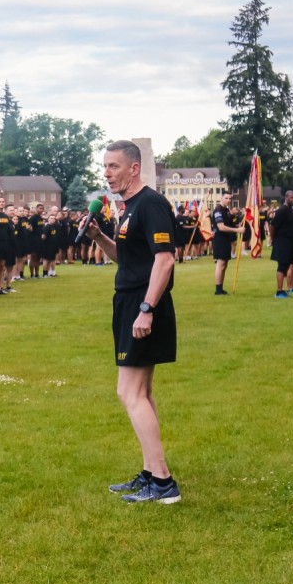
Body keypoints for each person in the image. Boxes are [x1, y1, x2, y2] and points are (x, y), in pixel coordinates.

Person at [86, 140, 180, 504]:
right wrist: (99, 237)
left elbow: (165, 260)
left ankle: (163, 483)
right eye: (105, 167)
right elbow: (126, 258)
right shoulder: (127, 208)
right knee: (141, 393)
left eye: (113, 166)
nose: (107, 173)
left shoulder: (151, 204)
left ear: (134, 168)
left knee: (129, 393)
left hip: (143, 305)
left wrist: (146, 308)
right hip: (130, 301)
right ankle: (151, 472)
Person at [210, 192, 244, 295]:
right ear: (221, 198)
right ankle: (218, 289)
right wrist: (237, 230)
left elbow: (231, 224)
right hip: (220, 239)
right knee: (221, 264)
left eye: (230, 198)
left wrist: (239, 227)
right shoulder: (218, 210)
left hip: (226, 239)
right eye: (226, 198)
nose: (228, 200)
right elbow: (221, 227)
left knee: (225, 264)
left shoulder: (227, 211)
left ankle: (221, 287)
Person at [269, 190, 293, 300]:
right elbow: (273, 226)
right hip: (282, 242)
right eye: (292, 197)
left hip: (290, 242)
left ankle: (284, 289)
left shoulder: (290, 210)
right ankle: (279, 291)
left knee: (287, 265)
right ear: (286, 197)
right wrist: (273, 240)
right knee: (282, 266)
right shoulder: (282, 210)